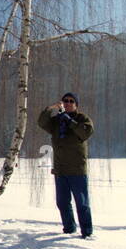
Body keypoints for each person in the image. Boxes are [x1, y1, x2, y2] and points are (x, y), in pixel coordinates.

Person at [41, 93, 95, 237]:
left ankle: (87, 232)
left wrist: (70, 121)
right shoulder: (57, 122)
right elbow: (42, 122)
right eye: (66, 101)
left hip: (77, 170)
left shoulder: (82, 119)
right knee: (62, 203)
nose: (68, 103)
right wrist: (50, 109)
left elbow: (85, 133)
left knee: (82, 204)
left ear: (76, 104)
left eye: (71, 101)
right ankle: (69, 229)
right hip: (60, 170)